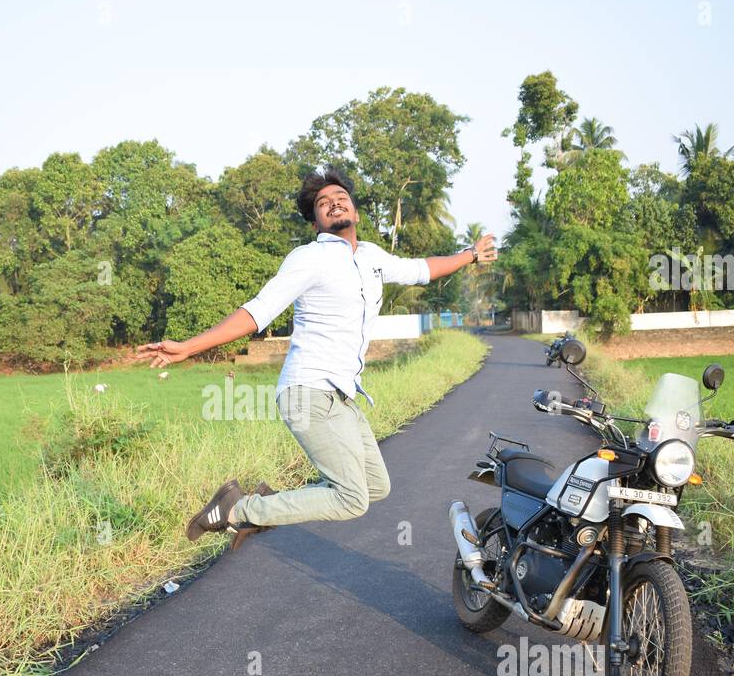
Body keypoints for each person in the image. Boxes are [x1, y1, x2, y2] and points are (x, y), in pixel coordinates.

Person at [134, 166, 496, 549]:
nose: (334, 203)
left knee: (376, 486)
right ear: (316, 223)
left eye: (341, 198)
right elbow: (258, 311)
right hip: (307, 391)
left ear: (355, 213)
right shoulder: (308, 259)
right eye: (324, 203)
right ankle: (237, 510)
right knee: (352, 499)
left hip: (341, 395)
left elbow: (422, 270)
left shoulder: (372, 257)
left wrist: (471, 255)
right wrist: (189, 347)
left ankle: (271, 504)